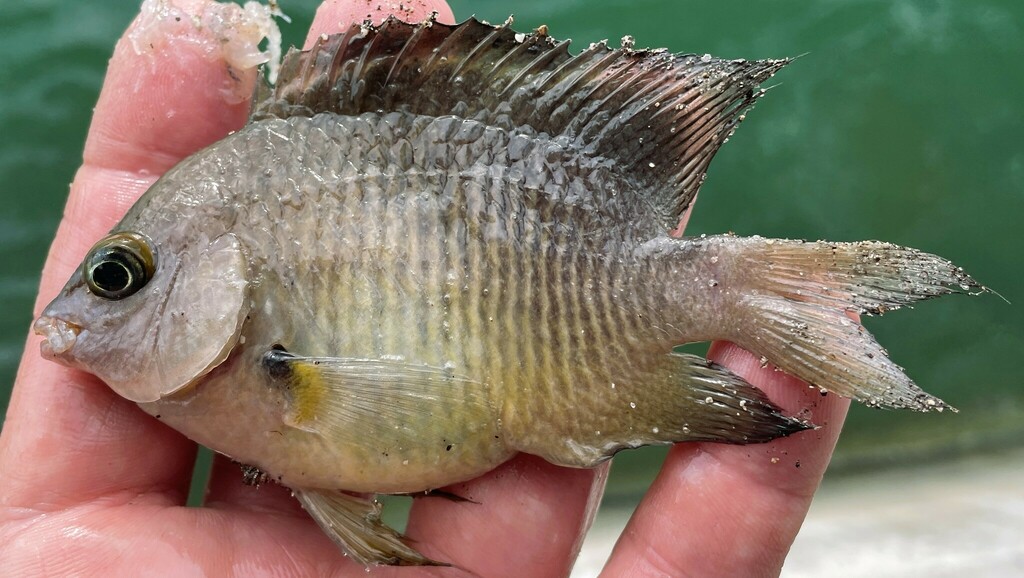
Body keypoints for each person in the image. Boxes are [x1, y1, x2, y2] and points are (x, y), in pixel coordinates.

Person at [0, 1, 850, 575]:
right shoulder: (227, 336)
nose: (76, 315)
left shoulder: (247, 345)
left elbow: (341, 418)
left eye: (120, 277)